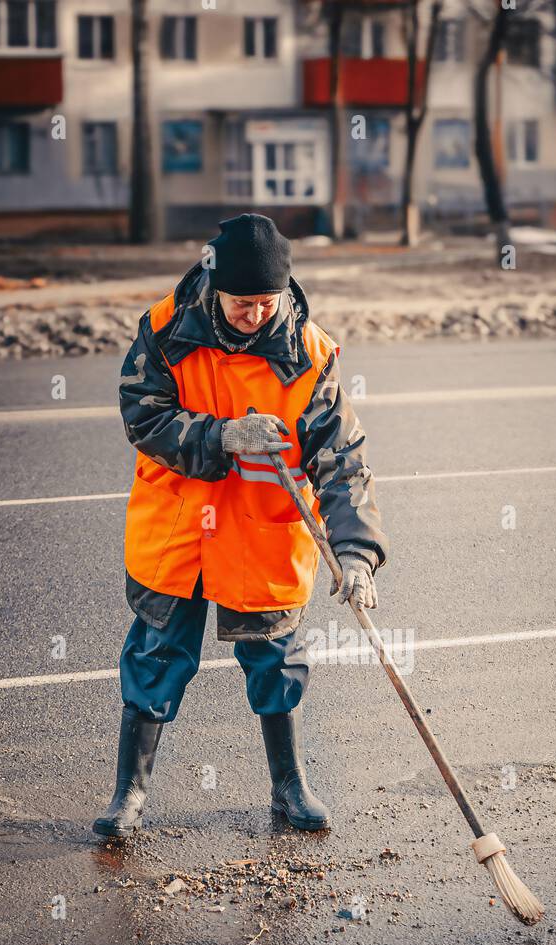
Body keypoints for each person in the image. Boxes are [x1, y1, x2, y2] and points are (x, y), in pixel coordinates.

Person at [93, 214, 388, 839]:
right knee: (154, 657)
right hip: (177, 532)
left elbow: (343, 462)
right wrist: (218, 435)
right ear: (214, 286)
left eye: (266, 302)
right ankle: (130, 795)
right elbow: (142, 418)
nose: (255, 314)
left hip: (261, 535)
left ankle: (290, 787)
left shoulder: (311, 355)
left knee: (277, 662)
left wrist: (357, 555)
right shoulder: (167, 329)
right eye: (242, 302)